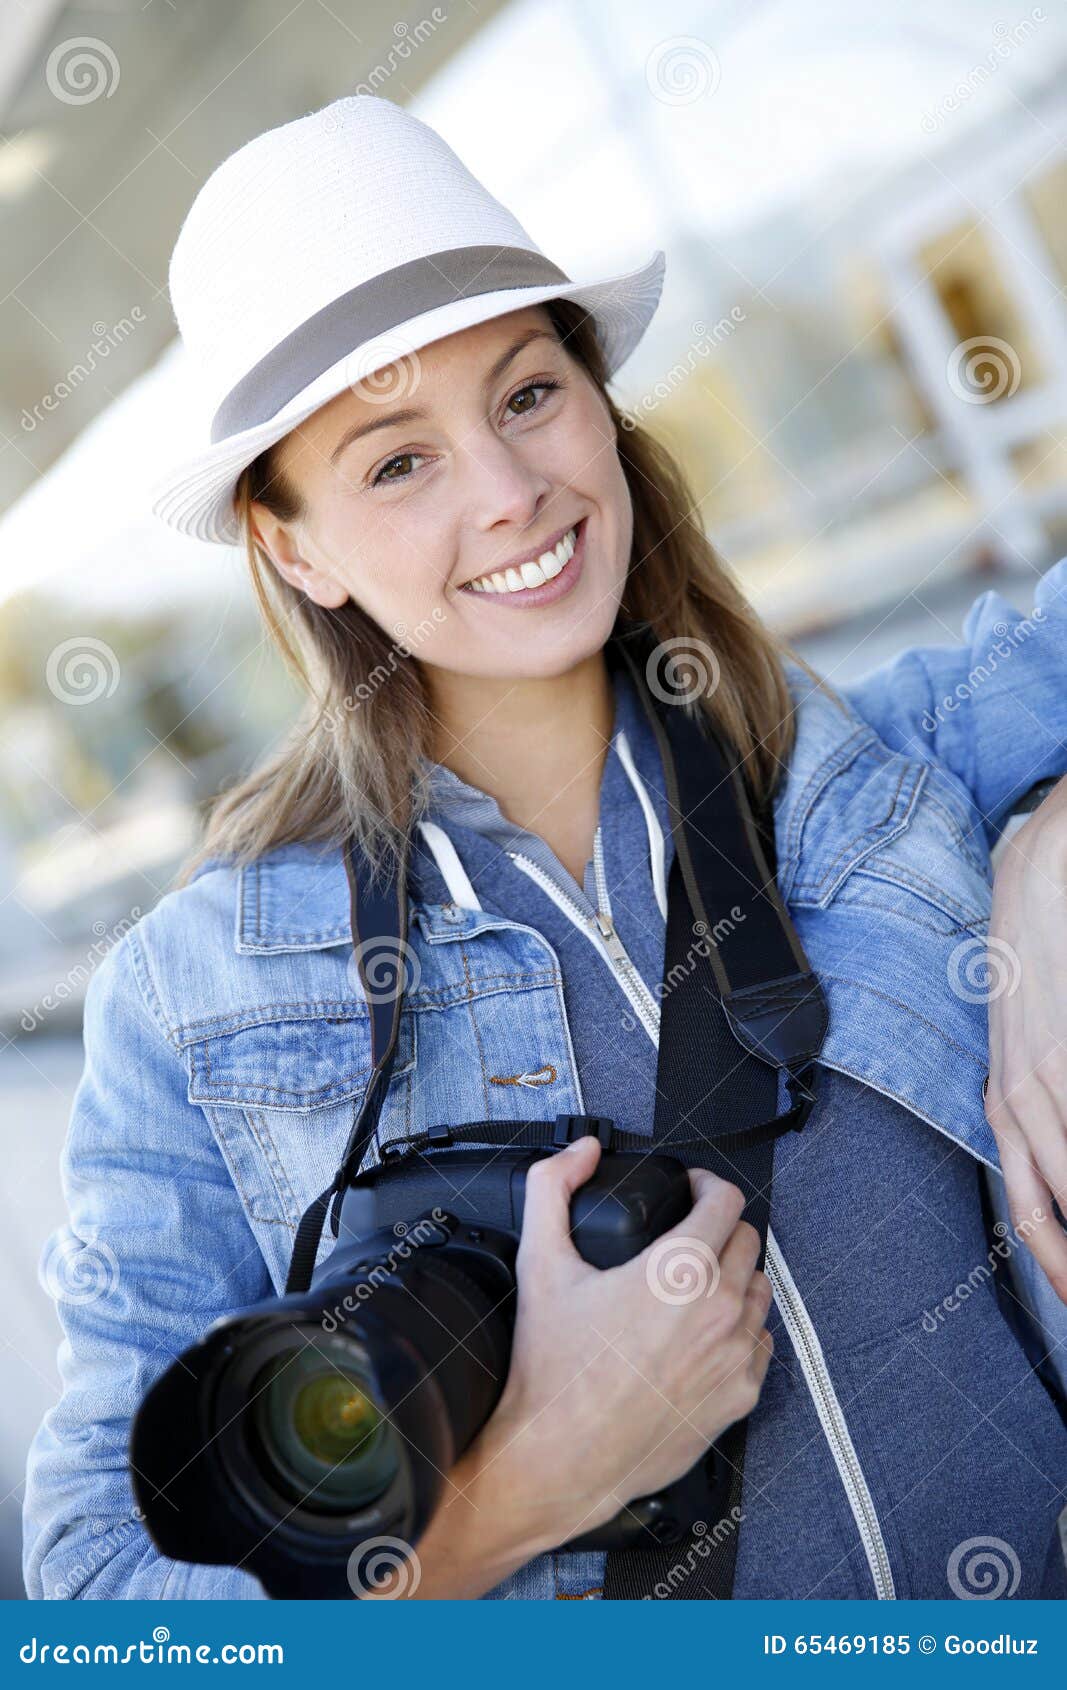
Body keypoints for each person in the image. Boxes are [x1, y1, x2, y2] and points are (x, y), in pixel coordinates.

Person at [23, 94, 1067, 1603]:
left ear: (596, 396)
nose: (512, 495)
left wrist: (1047, 844)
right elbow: (102, 1604)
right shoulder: (199, 1006)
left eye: (525, 395)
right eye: (397, 463)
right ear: (294, 544)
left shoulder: (864, 766)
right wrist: (525, 1488)